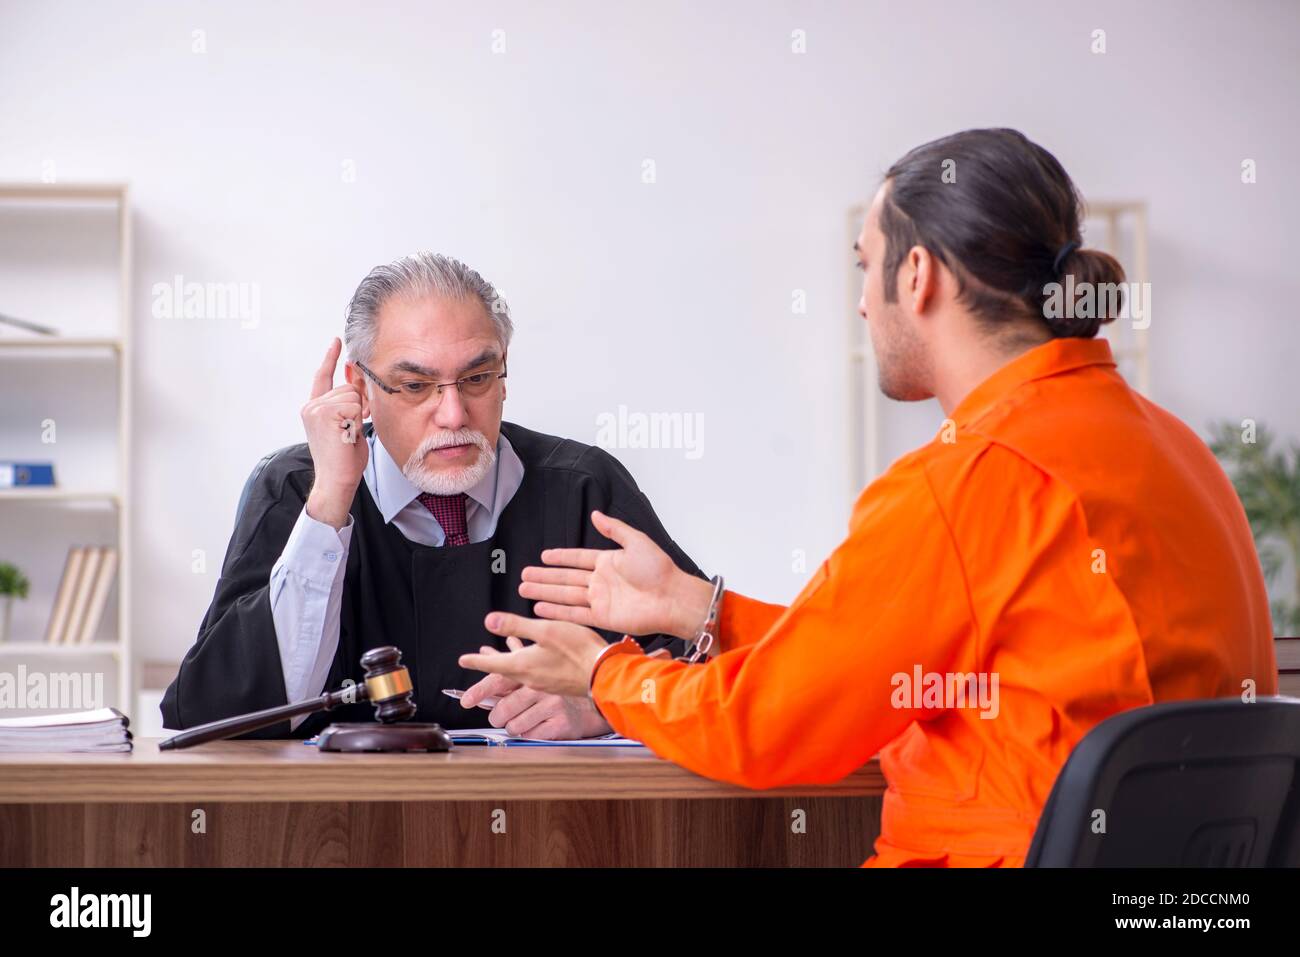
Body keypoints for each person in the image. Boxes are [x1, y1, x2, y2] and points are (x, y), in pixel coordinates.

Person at [459, 128, 1279, 866]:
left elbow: (766, 729)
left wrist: (604, 671)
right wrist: (698, 609)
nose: (859, 300)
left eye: (865, 263)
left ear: (916, 274)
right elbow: (901, 667)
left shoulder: (970, 478)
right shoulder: (1176, 451)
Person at [161, 252, 701, 739]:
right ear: (361, 389)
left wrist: (606, 703)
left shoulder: (582, 487)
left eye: (477, 378)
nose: (453, 415)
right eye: (416, 386)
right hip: (344, 829)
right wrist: (332, 499)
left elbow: (712, 666)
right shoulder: (298, 488)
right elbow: (213, 716)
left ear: (505, 374)